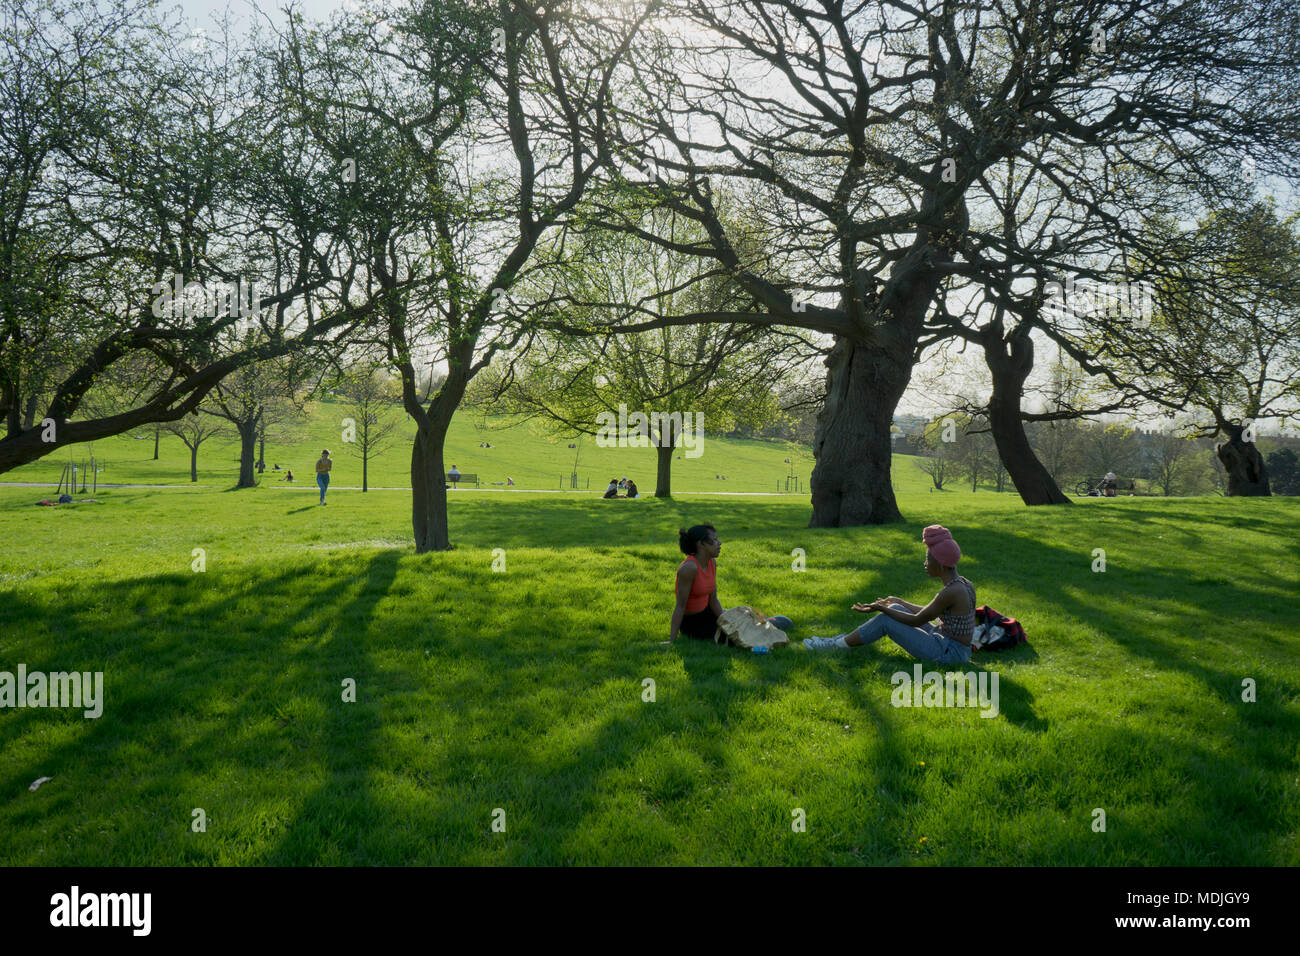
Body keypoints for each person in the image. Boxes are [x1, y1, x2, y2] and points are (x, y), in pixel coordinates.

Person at [804, 524, 975, 666]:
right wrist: (898, 602)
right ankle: (840, 641)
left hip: (948, 654)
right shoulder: (964, 584)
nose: (925, 564)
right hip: (948, 644)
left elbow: (917, 620)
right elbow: (930, 611)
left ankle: (837, 646)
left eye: (928, 560)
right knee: (894, 607)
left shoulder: (951, 592)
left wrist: (881, 609)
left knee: (886, 620)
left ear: (941, 564)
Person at [669, 524, 793, 642]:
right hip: (693, 624)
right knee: (738, 637)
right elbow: (680, 606)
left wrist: (728, 620)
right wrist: (672, 639)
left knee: (742, 623)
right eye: (715, 540)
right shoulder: (689, 568)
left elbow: (713, 600)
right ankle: (766, 626)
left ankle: (766, 623)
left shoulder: (711, 562)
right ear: (701, 544)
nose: (720, 543)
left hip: (709, 614)